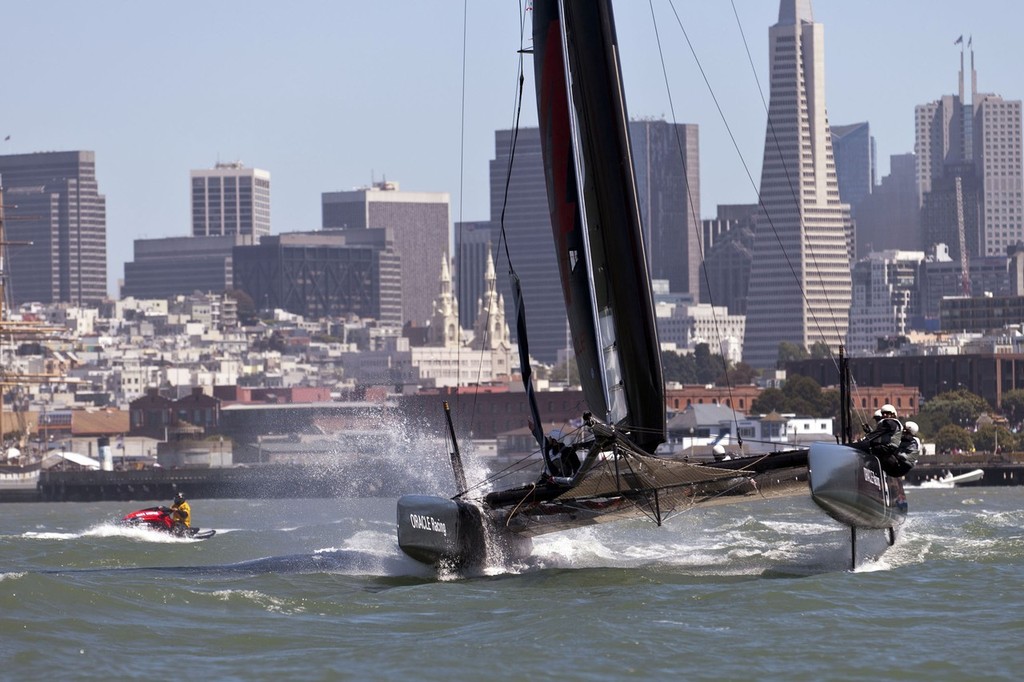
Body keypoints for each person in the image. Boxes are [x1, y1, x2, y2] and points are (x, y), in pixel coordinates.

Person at [854, 404, 904, 475]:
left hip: (887, 453)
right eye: (877, 419)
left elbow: (877, 437)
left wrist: (864, 440)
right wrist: (869, 432)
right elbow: (879, 437)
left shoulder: (889, 423)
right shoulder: (891, 425)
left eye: (879, 419)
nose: (878, 421)